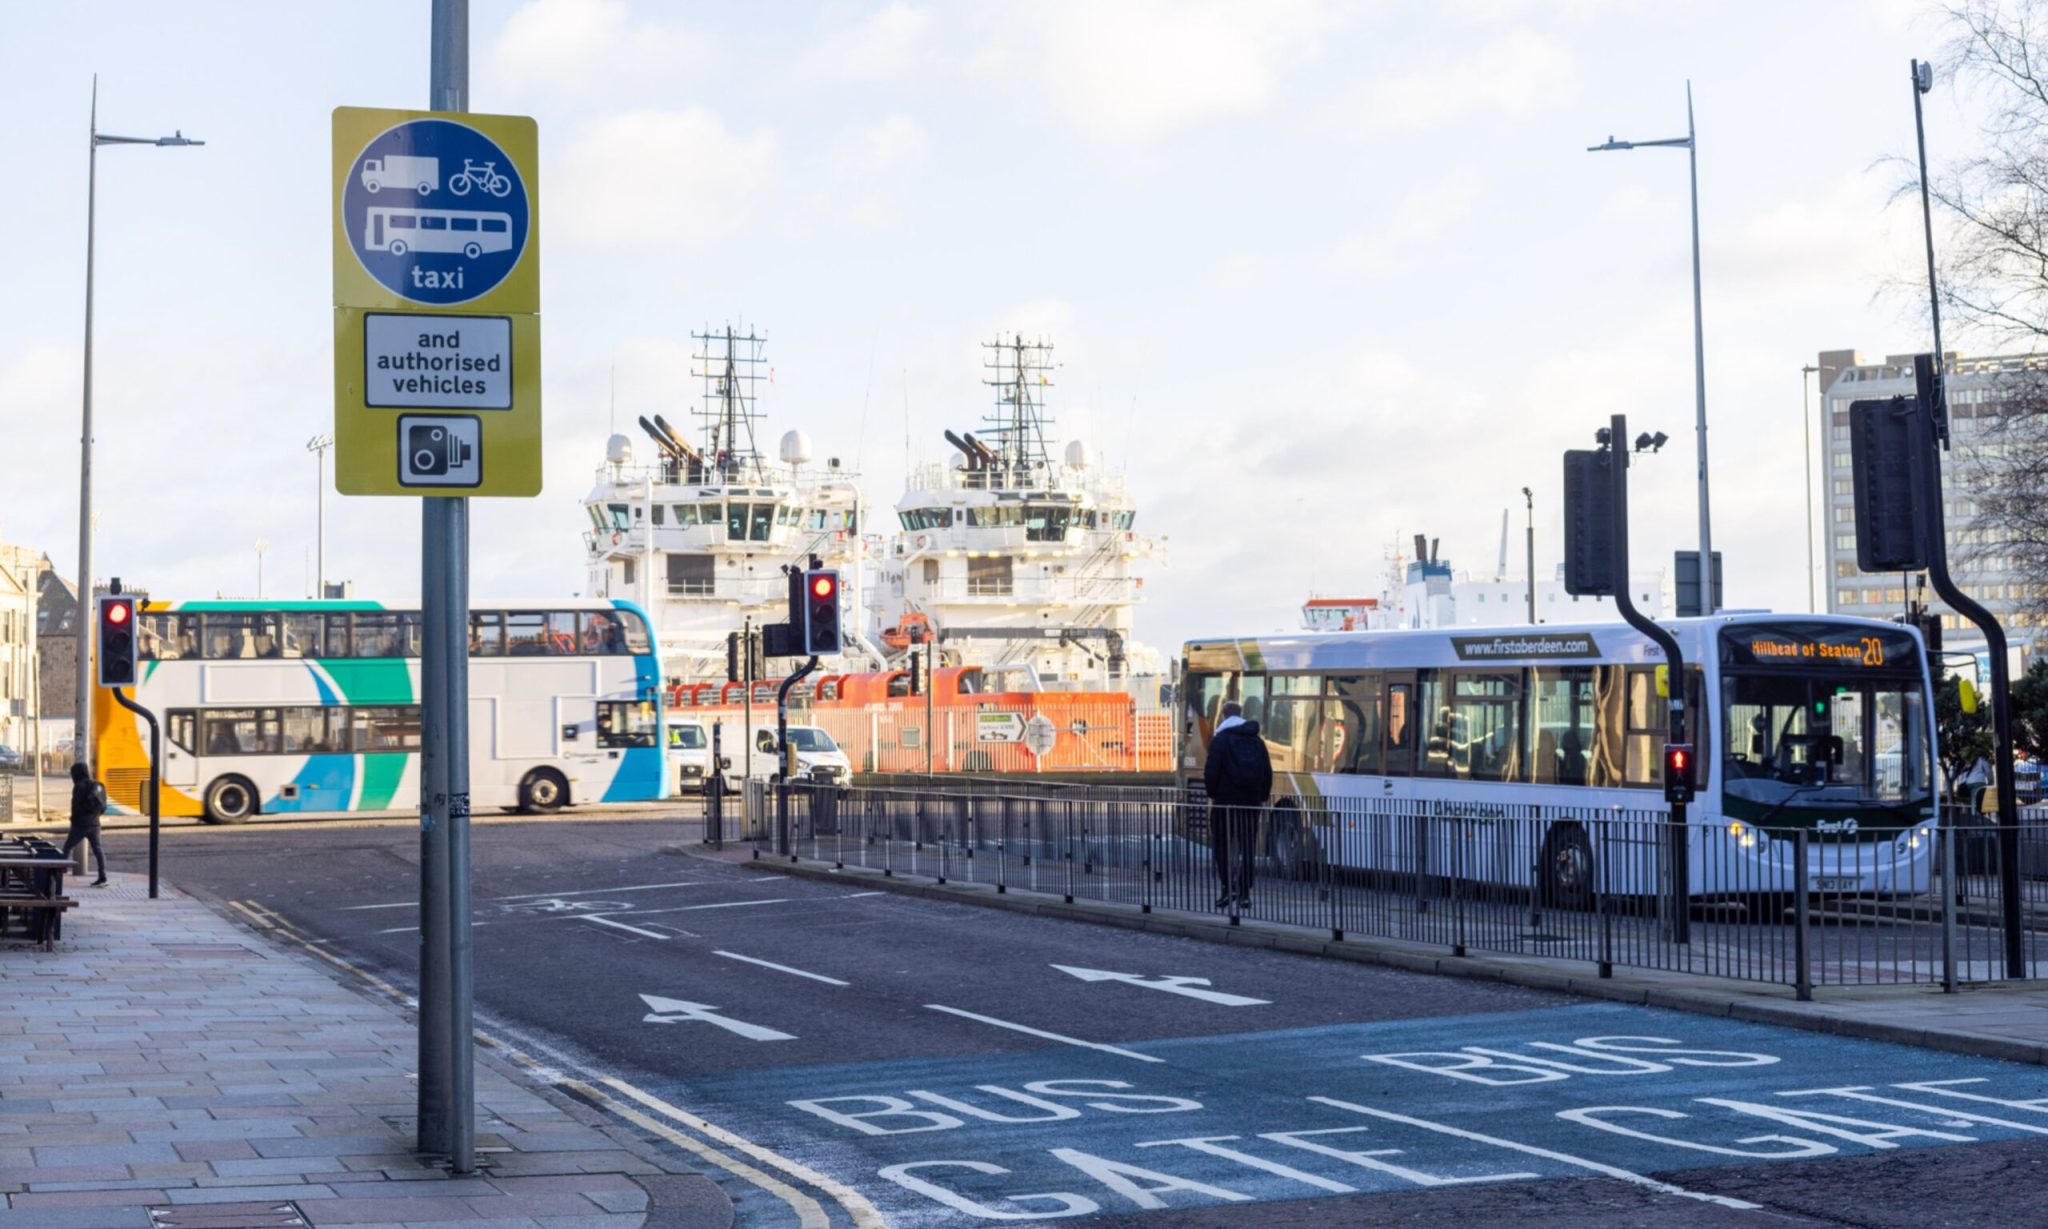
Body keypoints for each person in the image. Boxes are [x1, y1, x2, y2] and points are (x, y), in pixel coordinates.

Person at [1203, 700, 1272, 910]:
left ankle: (1227, 887)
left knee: (1222, 847)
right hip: (1250, 803)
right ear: (1241, 714)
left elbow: (1211, 772)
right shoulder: (1257, 741)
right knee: (1248, 848)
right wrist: (1261, 796)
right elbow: (1267, 772)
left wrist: (1213, 794)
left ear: (1223, 715)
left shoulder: (1220, 740)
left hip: (1225, 803)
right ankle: (1244, 894)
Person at [64, 763, 109, 888]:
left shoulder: (79, 786)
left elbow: (76, 806)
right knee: (98, 850)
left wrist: (73, 820)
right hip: (95, 824)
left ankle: (58, 873)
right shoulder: (97, 785)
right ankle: (102, 877)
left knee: (67, 848)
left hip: (80, 825)